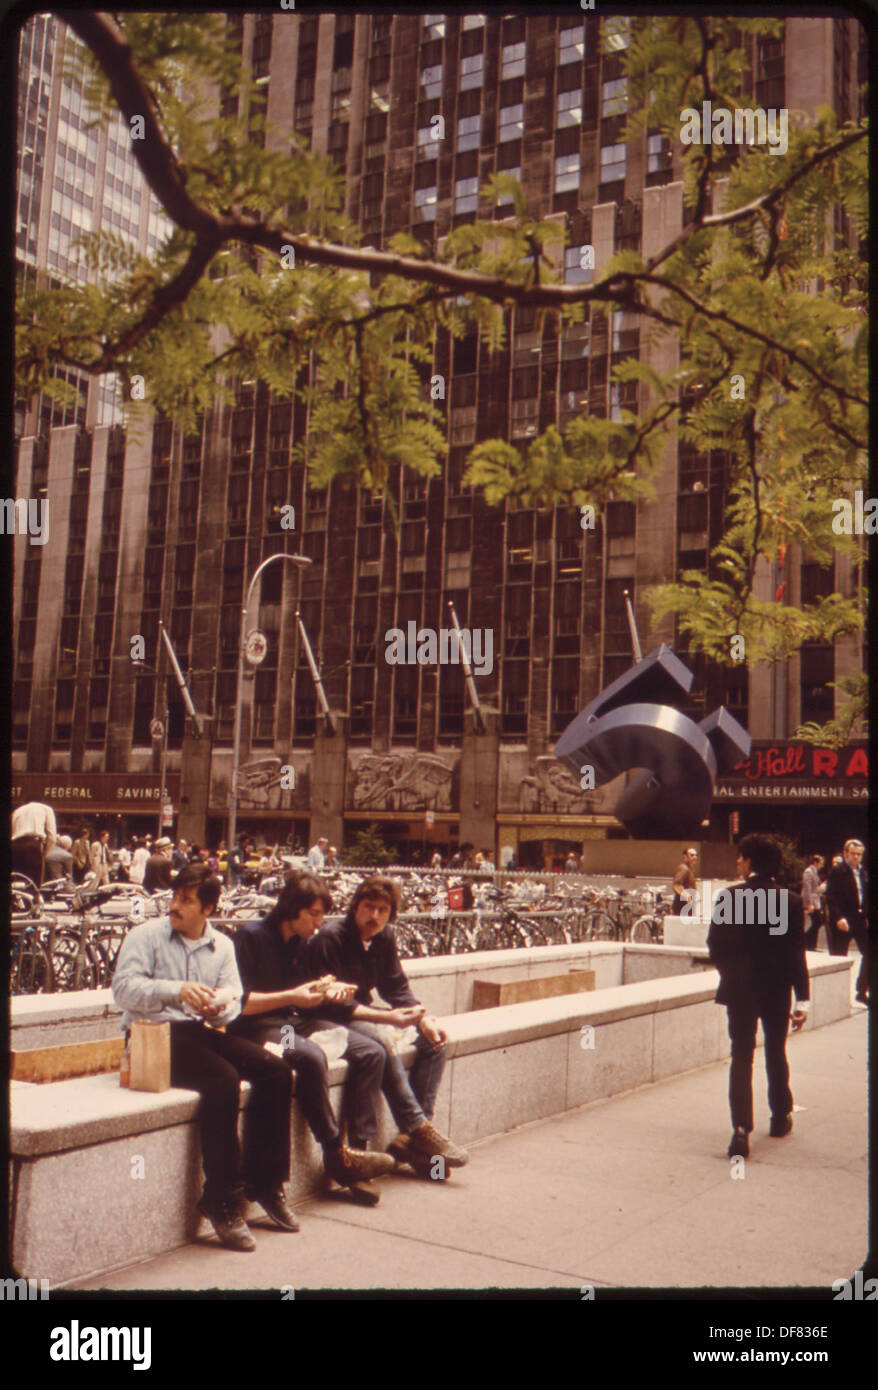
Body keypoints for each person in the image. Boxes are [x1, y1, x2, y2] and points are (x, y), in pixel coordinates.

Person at [112, 863, 297, 1252]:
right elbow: (124, 991)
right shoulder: (145, 936)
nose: (174, 905)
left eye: (186, 900)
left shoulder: (223, 946)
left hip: (200, 1031)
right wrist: (175, 990)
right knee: (221, 1079)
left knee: (277, 1071)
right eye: (175, 896)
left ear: (208, 909)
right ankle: (222, 1197)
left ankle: (266, 1182)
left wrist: (219, 1009)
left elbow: (233, 999)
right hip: (151, 1036)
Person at [230, 873, 395, 1195]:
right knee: (308, 1055)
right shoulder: (250, 937)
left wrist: (328, 991)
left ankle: (358, 1147)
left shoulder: (302, 944)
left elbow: (305, 996)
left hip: (293, 1021)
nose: (319, 923)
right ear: (293, 909)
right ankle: (336, 1152)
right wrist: (294, 996)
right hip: (257, 1026)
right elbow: (240, 1004)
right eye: (314, 914)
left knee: (370, 1049)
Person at [307, 875, 469, 1175]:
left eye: (383, 910)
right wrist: (388, 1019)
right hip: (330, 1017)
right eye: (369, 907)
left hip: (364, 1013)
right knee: (381, 1037)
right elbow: (332, 1003)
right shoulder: (331, 937)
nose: (375, 917)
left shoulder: (385, 936)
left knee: (433, 1041)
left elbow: (395, 987)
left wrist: (424, 1018)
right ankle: (417, 1126)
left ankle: (411, 1141)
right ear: (355, 906)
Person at [707, 834, 809, 1159]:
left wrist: (732, 975)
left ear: (749, 861)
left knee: (741, 1055)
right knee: (776, 1051)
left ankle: (740, 1128)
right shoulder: (790, 901)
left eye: (740, 857)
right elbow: (796, 953)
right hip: (777, 989)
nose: (737, 863)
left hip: (740, 989)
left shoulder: (730, 898)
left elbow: (716, 945)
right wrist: (802, 998)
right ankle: (780, 1116)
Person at [825, 839, 869, 1005]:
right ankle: (835, 998)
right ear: (845, 854)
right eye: (853, 854)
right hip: (842, 920)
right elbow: (831, 896)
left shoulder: (863, 872)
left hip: (859, 920)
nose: (856, 857)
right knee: (839, 957)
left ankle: (861, 989)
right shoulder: (837, 871)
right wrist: (838, 917)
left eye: (859, 855)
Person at [11, 800, 57, 887]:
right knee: (33, 884)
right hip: (33, 845)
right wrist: (45, 853)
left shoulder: (17, 810)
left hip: (14, 845)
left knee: (16, 881)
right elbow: (52, 837)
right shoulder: (46, 809)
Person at [801, 853, 826, 952]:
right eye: (821, 863)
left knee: (817, 922)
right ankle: (807, 942)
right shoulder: (808, 871)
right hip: (811, 901)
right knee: (817, 922)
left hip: (815, 900)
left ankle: (811, 944)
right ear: (815, 862)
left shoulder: (814, 872)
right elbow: (807, 888)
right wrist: (810, 904)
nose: (822, 865)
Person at [672, 846, 698, 914]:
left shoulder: (690, 869)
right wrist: (688, 897)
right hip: (682, 904)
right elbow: (677, 885)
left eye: (696, 855)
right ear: (685, 857)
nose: (695, 857)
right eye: (692, 855)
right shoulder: (684, 868)